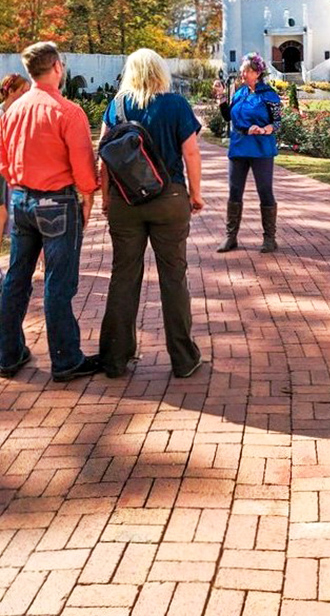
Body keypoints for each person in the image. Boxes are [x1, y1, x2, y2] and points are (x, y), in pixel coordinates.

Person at [98, 48, 204, 379]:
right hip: (169, 196)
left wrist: (105, 198)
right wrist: (195, 194)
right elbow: (191, 152)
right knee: (173, 277)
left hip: (124, 202)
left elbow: (103, 157)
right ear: (161, 71)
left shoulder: (115, 106)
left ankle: (115, 359)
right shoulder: (175, 105)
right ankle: (184, 359)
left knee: (123, 277)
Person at [0, 42, 100, 381]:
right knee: (59, 281)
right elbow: (84, 167)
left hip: (21, 200)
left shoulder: (11, 110)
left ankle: (8, 353)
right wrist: (88, 197)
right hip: (57, 202)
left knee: (16, 278)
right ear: (57, 67)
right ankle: (65, 358)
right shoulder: (67, 112)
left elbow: (3, 158)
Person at [214, 52, 282, 254]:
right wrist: (220, 96)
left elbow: (277, 123)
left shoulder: (269, 95)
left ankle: (270, 238)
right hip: (238, 146)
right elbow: (228, 117)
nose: (241, 73)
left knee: (265, 191)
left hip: (261, 148)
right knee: (234, 191)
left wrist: (264, 129)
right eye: (243, 70)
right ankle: (230, 237)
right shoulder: (239, 93)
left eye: (245, 70)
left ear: (257, 72)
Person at [0, 74, 30, 238]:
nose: (27, 95)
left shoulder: (24, 114)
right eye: (23, 91)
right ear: (11, 91)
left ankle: (42, 263)